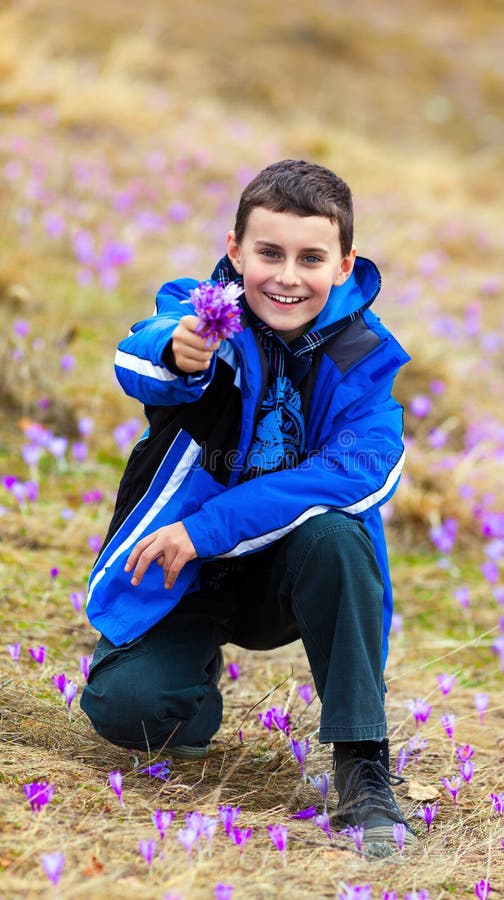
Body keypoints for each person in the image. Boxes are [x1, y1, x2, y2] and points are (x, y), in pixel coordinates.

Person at [81, 158, 415, 853]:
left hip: (283, 575)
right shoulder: (201, 313)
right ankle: (183, 675)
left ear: (344, 264)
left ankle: (362, 763)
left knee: (336, 532)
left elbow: (356, 473)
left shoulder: (366, 356)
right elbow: (139, 363)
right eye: (269, 253)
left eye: (310, 257)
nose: (287, 276)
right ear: (235, 250)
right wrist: (181, 353)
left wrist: (206, 528)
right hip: (185, 574)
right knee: (129, 710)